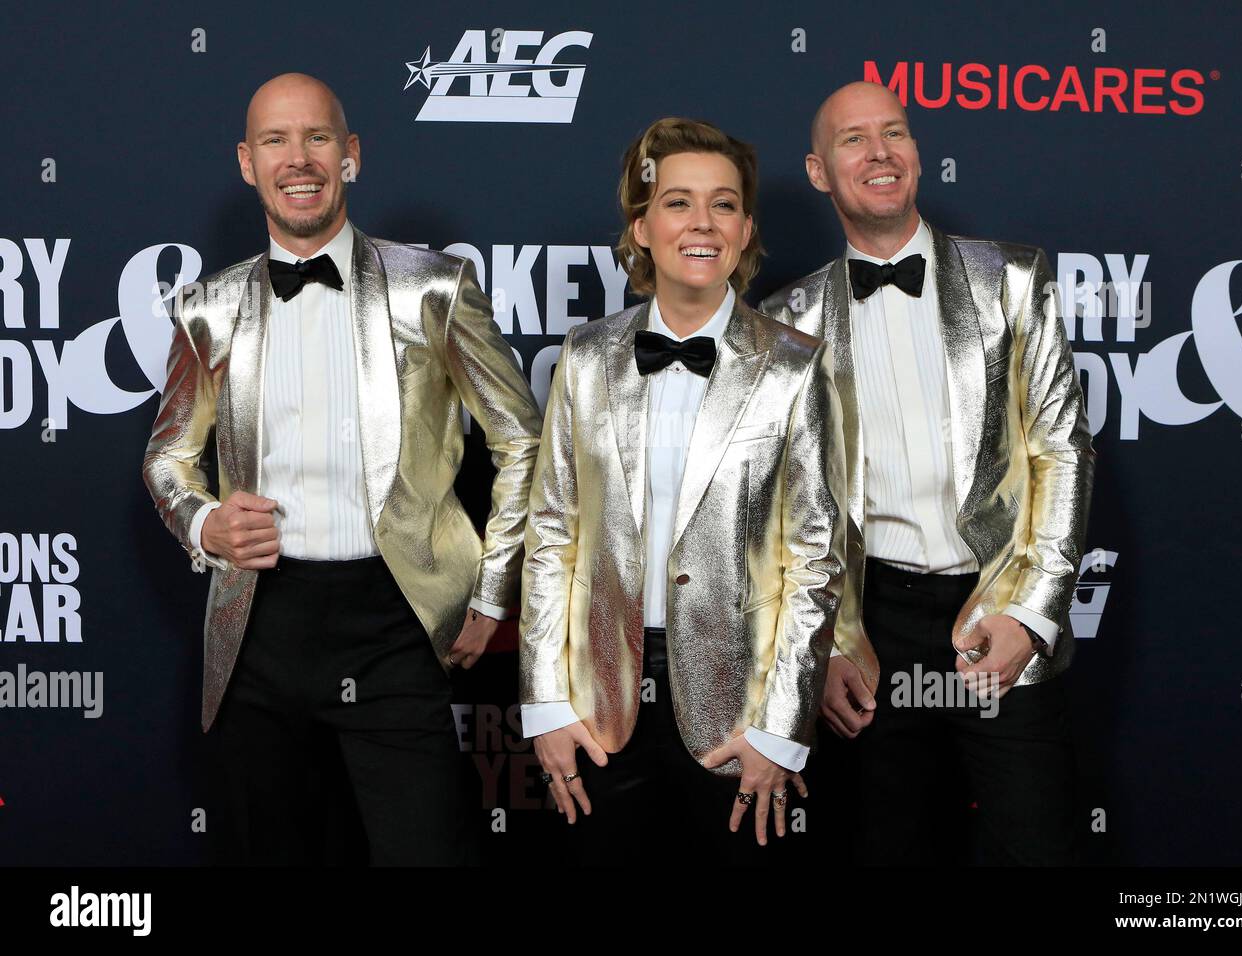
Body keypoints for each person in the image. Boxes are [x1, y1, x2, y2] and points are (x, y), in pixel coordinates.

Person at [141, 73, 541, 865]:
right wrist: (204, 521)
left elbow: (522, 440)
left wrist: (494, 588)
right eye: (275, 141)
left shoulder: (433, 286)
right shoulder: (206, 308)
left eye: (318, 137)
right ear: (247, 163)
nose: (300, 159)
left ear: (350, 154)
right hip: (259, 624)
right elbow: (166, 457)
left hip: (395, 623)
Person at [761, 81, 1095, 865]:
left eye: (896, 133)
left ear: (916, 154)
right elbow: (779, 509)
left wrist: (1032, 613)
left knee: (1037, 847)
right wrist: (829, 643)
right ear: (818, 172)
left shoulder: (1012, 278)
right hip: (869, 627)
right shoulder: (783, 322)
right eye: (853, 139)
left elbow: (1063, 448)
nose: (880, 152)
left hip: (997, 611)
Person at [518, 118, 846, 863]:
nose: (702, 223)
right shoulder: (586, 356)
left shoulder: (796, 367)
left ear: (747, 227)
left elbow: (817, 560)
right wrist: (543, 703)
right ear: (641, 225)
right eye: (678, 203)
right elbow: (552, 538)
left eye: (724, 204)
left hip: (743, 708)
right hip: (599, 705)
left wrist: (780, 729)